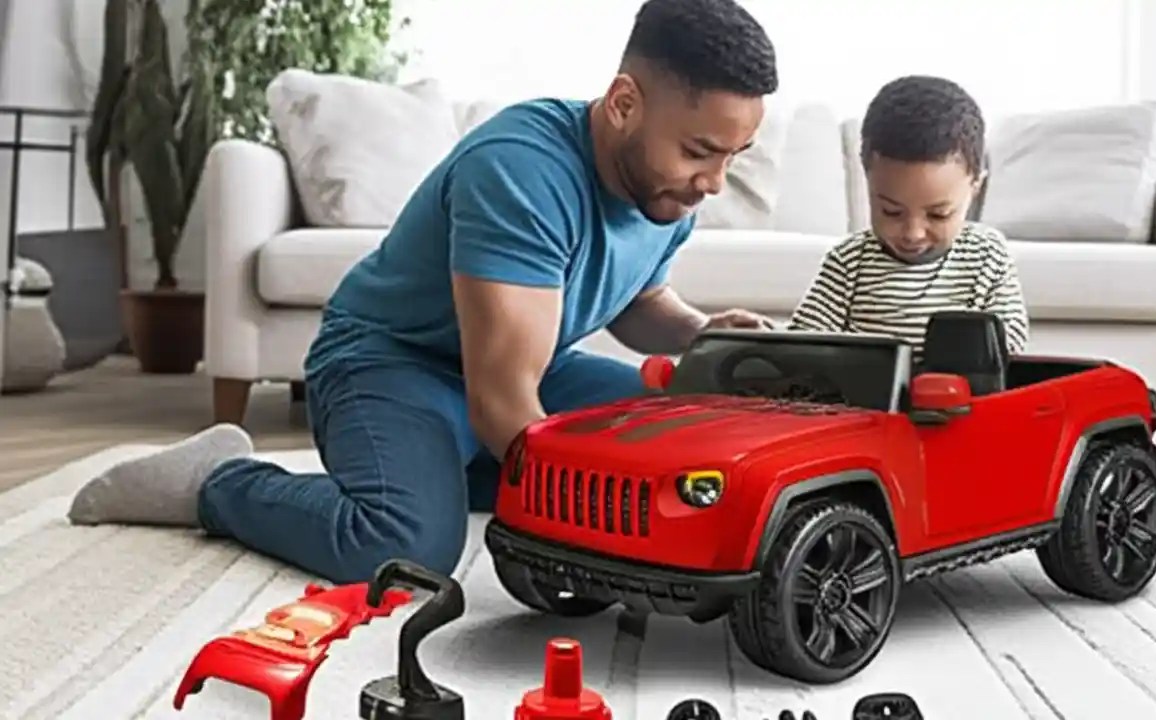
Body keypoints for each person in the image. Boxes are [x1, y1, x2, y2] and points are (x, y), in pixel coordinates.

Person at [66, 0, 779, 584]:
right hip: (391, 362)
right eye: (698, 152)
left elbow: (634, 299)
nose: (713, 182)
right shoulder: (522, 170)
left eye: (731, 156)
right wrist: (615, 522)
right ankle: (217, 481)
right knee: (405, 545)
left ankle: (442, 471)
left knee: (684, 437)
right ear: (625, 103)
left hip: (526, 365)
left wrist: (702, 334)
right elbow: (505, 408)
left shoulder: (666, 193)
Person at [788, 75, 1029, 354]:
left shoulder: (988, 255)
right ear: (867, 179)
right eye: (891, 211)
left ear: (974, 188)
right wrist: (766, 337)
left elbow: (1010, 347)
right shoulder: (848, 263)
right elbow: (804, 346)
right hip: (868, 396)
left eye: (938, 215)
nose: (913, 233)